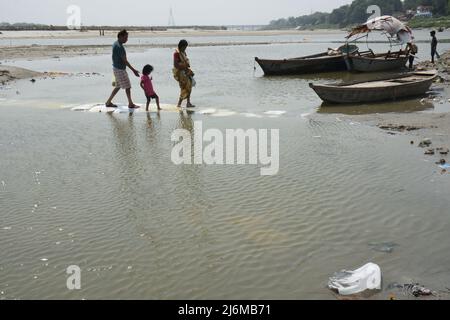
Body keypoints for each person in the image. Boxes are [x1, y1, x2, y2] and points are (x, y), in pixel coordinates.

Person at [105, 30, 140, 109]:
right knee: (127, 86)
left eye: (127, 37)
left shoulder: (115, 43)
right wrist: (133, 70)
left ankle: (108, 102)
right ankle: (130, 104)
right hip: (120, 70)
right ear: (120, 36)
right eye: (125, 37)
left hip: (116, 68)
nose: (127, 39)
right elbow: (125, 61)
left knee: (118, 86)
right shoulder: (119, 47)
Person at [173, 39, 195, 108]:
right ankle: (179, 104)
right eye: (184, 47)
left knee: (189, 86)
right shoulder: (176, 53)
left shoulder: (183, 52)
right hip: (180, 73)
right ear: (181, 46)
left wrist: (187, 68)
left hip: (185, 71)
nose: (185, 48)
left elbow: (186, 61)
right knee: (184, 88)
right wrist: (184, 66)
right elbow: (176, 65)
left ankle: (188, 103)